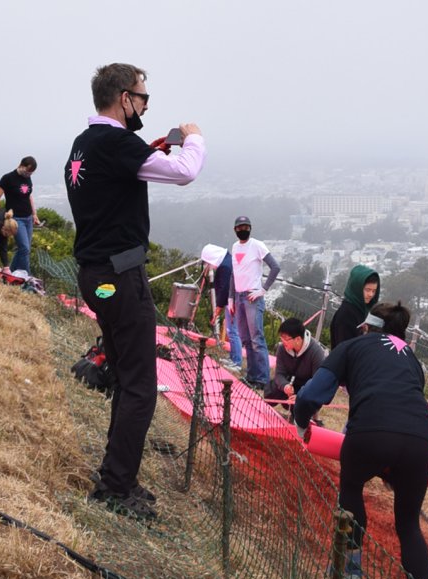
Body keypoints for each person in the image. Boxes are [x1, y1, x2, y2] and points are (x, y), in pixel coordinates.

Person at [66, 62, 205, 519]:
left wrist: (150, 148)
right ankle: (115, 487)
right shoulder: (115, 143)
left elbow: (122, 170)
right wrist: (194, 136)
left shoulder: (85, 143)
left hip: (97, 276)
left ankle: (118, 475)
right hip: (118, 278)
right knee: (141, 385)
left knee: (127, 378)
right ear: (124, 97)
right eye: (143, 97)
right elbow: (184, 172)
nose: (145, 104)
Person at [292, 303, 428, 579]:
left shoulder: (351, 346)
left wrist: (300, 423)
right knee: (408, 524)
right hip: (420, 440)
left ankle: (352, 570)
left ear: (368, 328)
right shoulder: (411, 357)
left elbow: (312, 394)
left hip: (370, 430)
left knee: (352, 487)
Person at [229, 216, 280, 388]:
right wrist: (231, 298)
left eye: (245, 226)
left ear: (250, 228)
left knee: (257, 339)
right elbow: (233, 274)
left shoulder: (257, 245)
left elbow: (275, 267)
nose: (242, 229)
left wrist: (263, 289)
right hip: (238, 296)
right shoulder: (235, 247)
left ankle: (263, 379)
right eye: (239, 227)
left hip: (253, 297)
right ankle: (251, 376)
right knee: (246, 339)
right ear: (235, 230)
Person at [264, 316, 326, 410]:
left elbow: (317, 384)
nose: (282, 341)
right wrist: (285, 386)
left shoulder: (316, 353)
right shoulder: (282, 348)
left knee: (302, 406)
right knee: (270, 393)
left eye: (286, 339)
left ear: (297, 339)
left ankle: (306, 415)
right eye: (281, 337)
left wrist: (301, 396)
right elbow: (279, 373)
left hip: (306, 387)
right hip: (291, 382)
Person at [0, 156, 39, 274]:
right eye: (28, 171)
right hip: (16, 218)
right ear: (21, 165)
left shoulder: (28, 179)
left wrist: (34, 214)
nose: (28, 174)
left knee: (23, 249)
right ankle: (26, 277)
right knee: (24, 248)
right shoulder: (8, 178)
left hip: (28, 217)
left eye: (31, 173)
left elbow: (28, 196)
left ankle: (11, 273)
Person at [199, 243, 241, 370]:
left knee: (233, 332)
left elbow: (224, 290)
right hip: (232, 300)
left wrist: (217, 310)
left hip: (234, 301)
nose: (207, 265)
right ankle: (233, 358)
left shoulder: (226, 267)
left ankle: (237, 362)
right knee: (231, 330)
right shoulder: (227, 261)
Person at [329, 264, 380, 348]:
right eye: (367, 290)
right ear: (357, 288)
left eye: (374, 291)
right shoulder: (345, 315)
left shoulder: (365, 310)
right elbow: (344, 349)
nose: (371, 294)